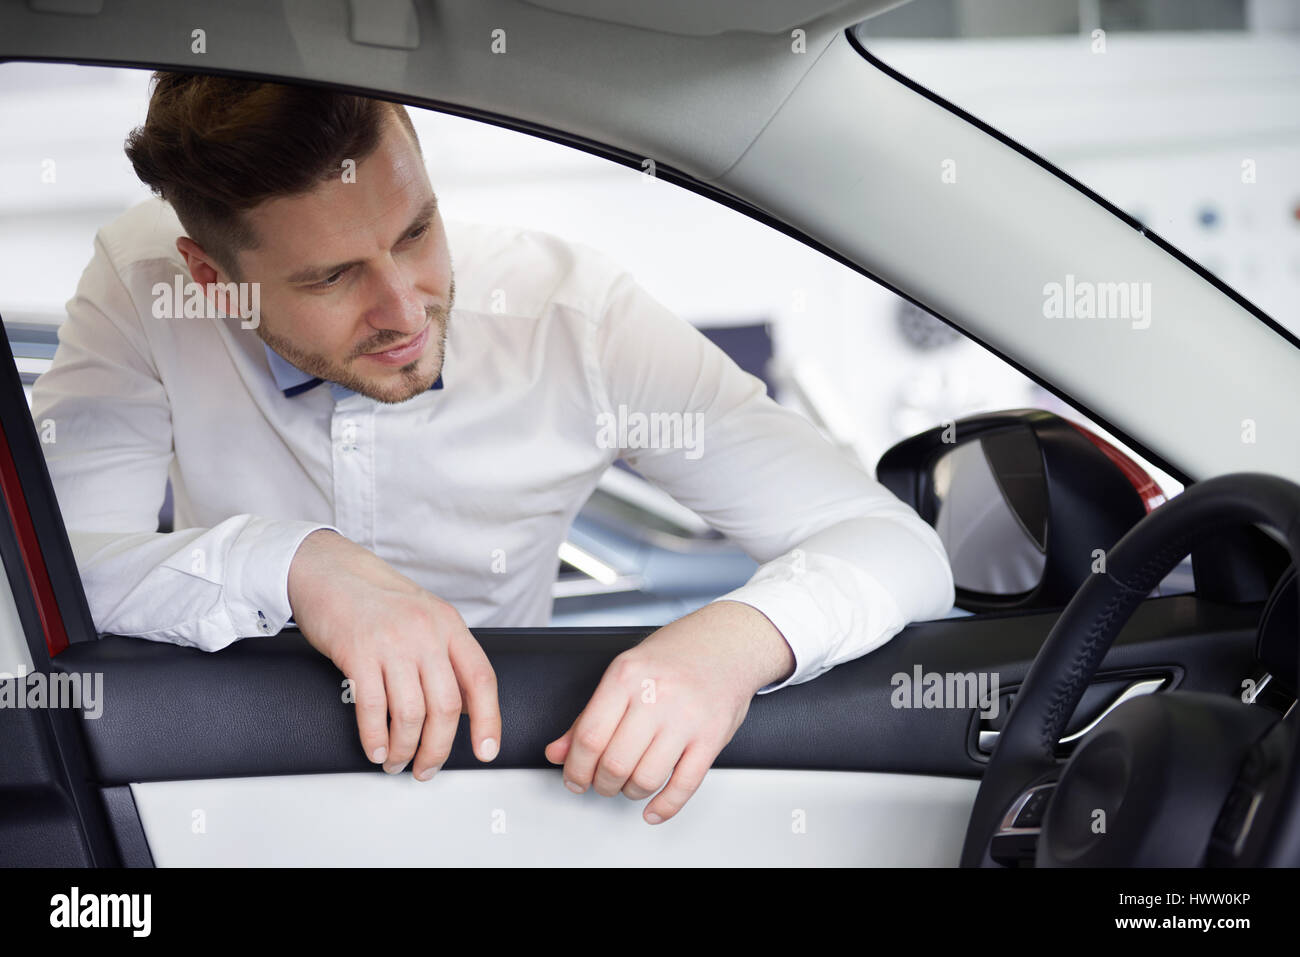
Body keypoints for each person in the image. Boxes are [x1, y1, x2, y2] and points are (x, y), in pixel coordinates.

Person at [30, 73, 955, 826]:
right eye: (333, 276)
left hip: (507, 798)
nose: (405, 310)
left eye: (416, 231)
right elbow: (46, 583)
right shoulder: (146, 283)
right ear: (209, 276)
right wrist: (299, 566)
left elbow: (894, 544)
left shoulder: (579, 321)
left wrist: (732, 643)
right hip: (229, 798)